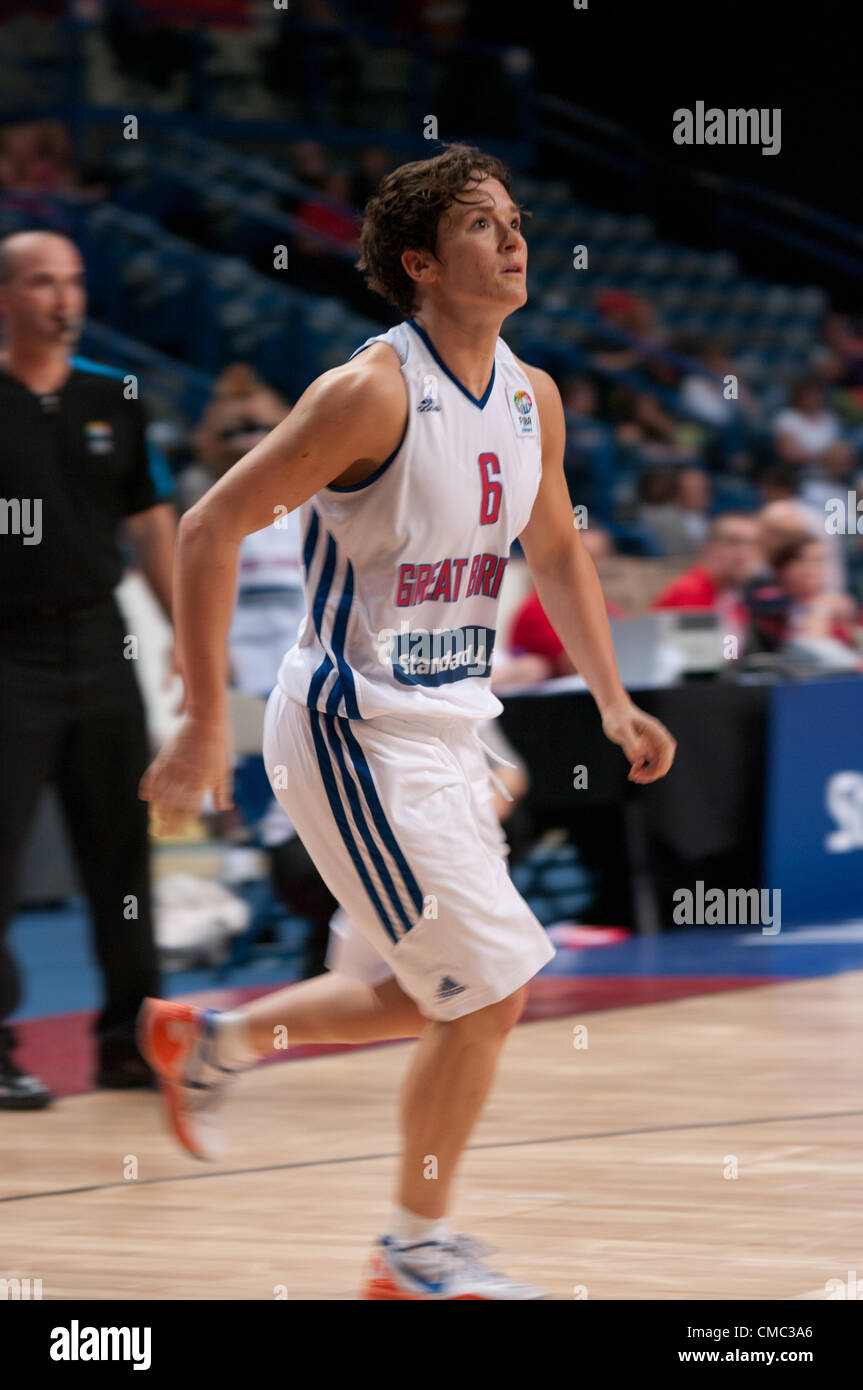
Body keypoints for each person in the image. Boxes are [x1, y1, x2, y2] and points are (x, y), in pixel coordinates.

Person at [137, 144, 676, 1300]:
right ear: (422, 264)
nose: (514, 238)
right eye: (483, 226)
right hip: (348, 727)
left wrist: (612, 697)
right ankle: (410, 1250)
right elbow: (205, 528)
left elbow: (555, 552)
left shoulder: (531, 396)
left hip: (445, 726)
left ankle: (212, 1040)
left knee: (416, 991)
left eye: (516, 220)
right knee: (486, 989)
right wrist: (193, 719)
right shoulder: (369, 392)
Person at [0, 231, 176, 1106]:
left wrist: (191, 638)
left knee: (122, 852)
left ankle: (129, 1040)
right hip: (8, 648)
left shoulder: (116, 400)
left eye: (72, 281)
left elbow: (150, 525)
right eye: (41, 283)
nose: (63, 298)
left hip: (102, 640)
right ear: (6, 297)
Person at [651, 511, 762, 647]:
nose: (744, 553)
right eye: (734, 542)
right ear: (708, 547)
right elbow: (698, 660)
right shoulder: (689, 591)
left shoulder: (734, 596)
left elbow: (730, 655)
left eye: (754, 544)